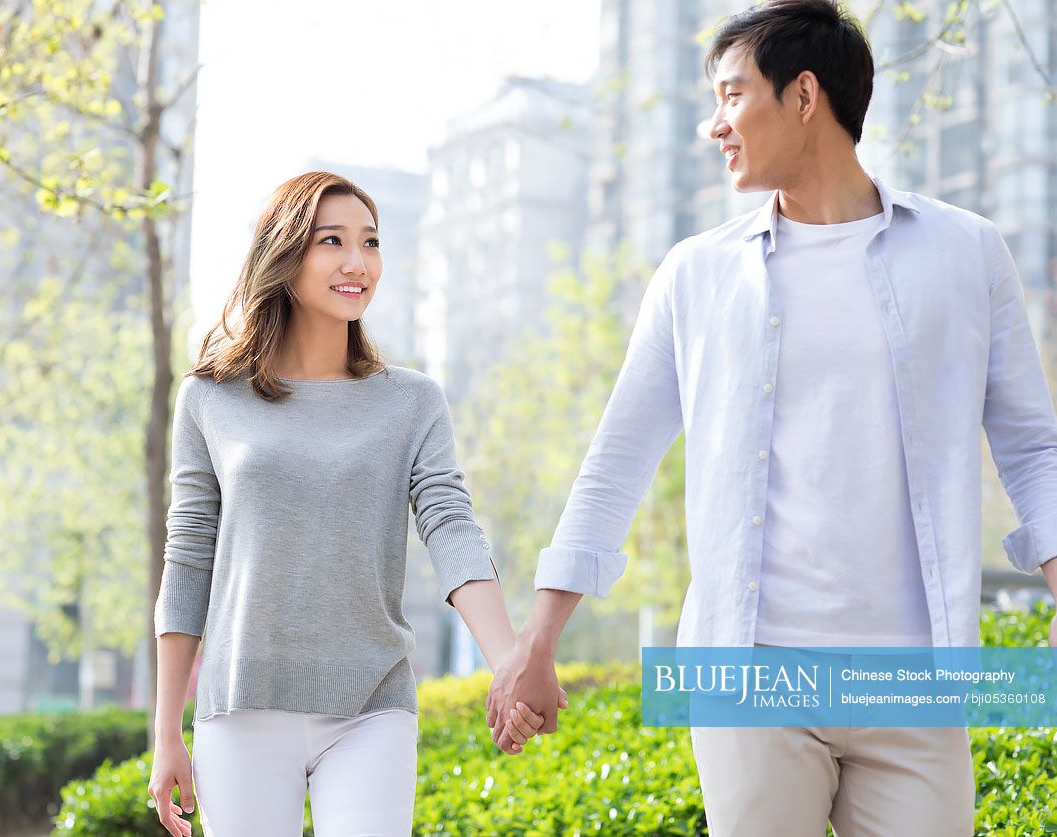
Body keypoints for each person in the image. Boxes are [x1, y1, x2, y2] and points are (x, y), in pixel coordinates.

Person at [487, 1, 1057, 834]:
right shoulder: (695, 274)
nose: (712, 124)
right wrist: (537, 640)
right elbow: (616, 461)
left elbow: (1032, 449)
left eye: (730, 94)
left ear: (802, 95)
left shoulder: (965, 252)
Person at [146, 171, 553, 837]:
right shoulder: (211, 397)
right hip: (242, 707)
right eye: (332, 241)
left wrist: (509, 660)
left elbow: (451, 527)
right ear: (284, 254)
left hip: (371, 706)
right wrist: (166, 732)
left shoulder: (411, 401)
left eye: (371, 242)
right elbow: (188, 559)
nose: (357, 262)